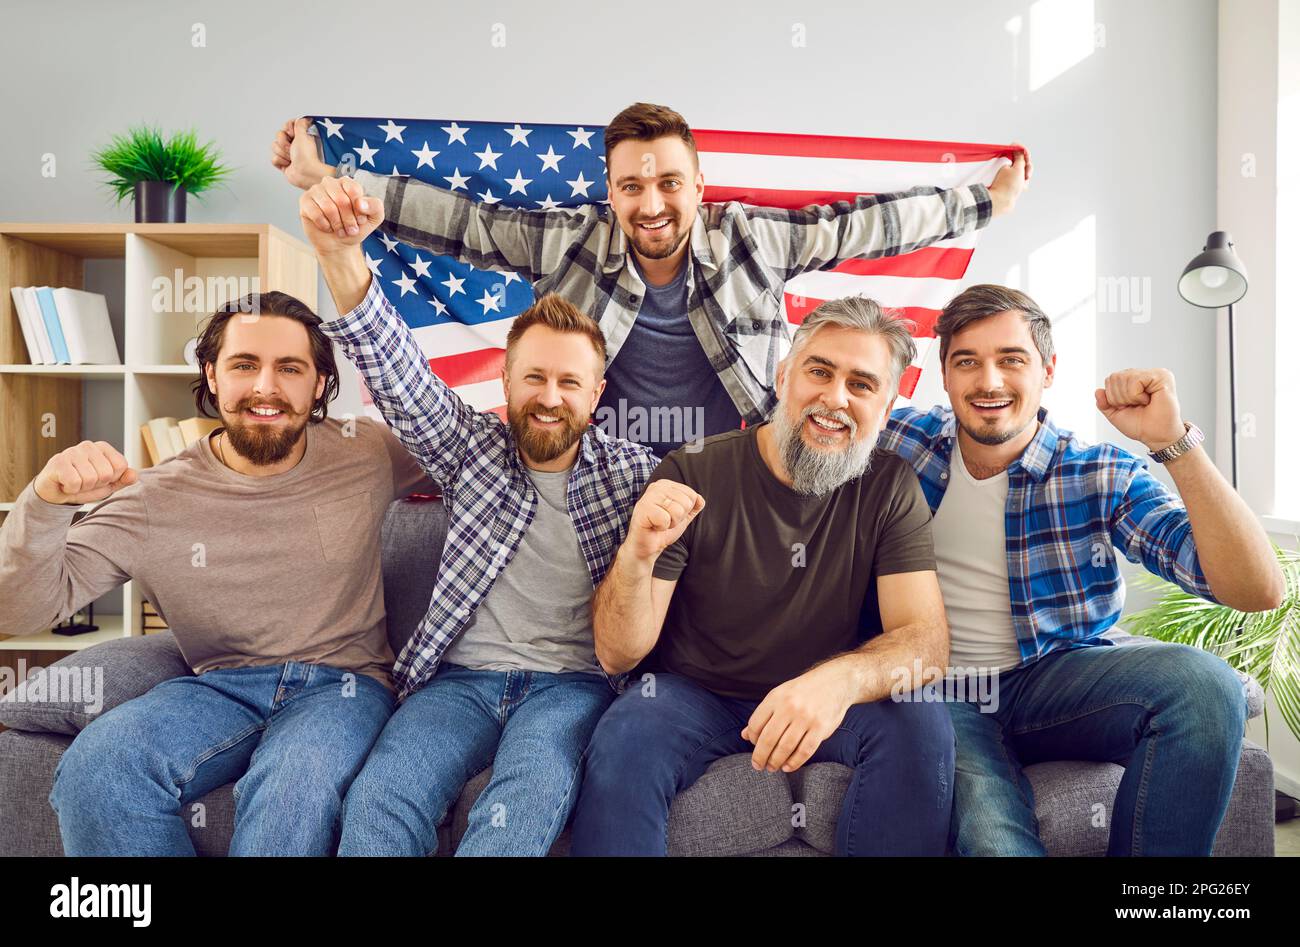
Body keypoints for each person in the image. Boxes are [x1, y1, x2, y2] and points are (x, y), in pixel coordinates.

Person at [273, 102, 1031, 455]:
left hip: (738, 465)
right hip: (605, 467)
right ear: (611, 191)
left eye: (669, 183)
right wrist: (330, 176)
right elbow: (464, 222)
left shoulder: (750, 238)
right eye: (632, 186)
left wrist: (981, 204)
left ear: (700, 186)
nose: (652, 203)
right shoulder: (572, 242)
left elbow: (861, 226)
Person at [0, 291, 435, 855]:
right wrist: (45, 502)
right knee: (98, 768)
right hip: (220, 686)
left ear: (321, 383)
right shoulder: (152, 497)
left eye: (290, 368)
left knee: (291, 792)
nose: (265, 388)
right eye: (244, 365)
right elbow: (21, 611)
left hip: (344, 686)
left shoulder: (368, 451)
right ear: (212, 373)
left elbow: (475, 452)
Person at [297, 180, 660, 855]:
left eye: (569, 383)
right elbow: (398, 370)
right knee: (382, 797)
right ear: (506, 380)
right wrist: (340, 254)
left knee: (524, 796)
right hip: (458, 682)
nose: (550, 398)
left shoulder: (635, 473)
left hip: (571, 686)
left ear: (596, 393)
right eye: (534, 378)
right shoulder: (472, 447)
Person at [877, 283, 1286, 856]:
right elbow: (789, 438)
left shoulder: (1096, 472)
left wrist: (1174, 444)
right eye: (967, 362)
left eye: (1011, 360)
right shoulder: (900, 441)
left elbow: (1258, 590)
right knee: (992, 836)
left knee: (1205, 685)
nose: (989, 381)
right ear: (944, 375)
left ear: (1047, 371)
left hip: (1056, 679)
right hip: (938, 688)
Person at [568, 296, 954, 856]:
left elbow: (926, 642)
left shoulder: (891, 488)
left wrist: (836, 684)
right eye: (819, 371)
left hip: (827, 700)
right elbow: (617, 655)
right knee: (626, 735)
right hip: (697, 694)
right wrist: (635, 554)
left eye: (862, 384)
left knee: (921, 723)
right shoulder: (693, 469)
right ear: (782, 376)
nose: (834, 397)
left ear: (888, 405)